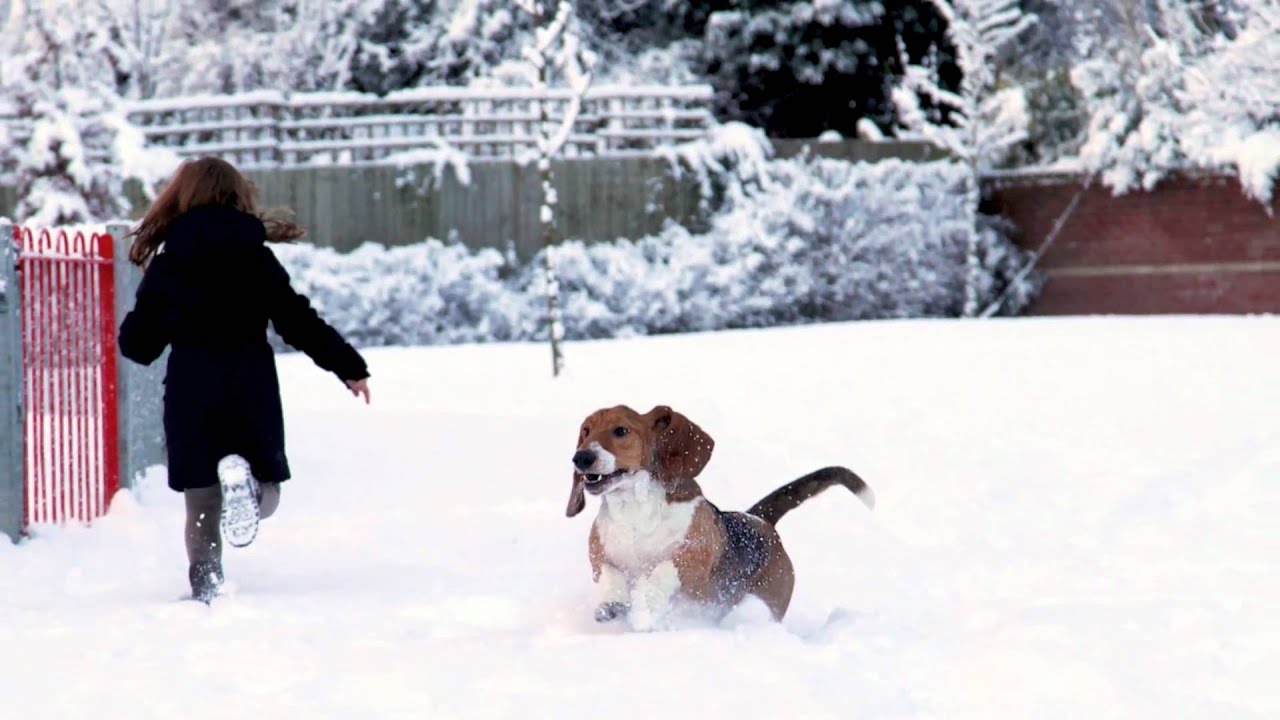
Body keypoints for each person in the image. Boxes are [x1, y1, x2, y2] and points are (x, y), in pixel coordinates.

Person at [118, 156, 371, 603]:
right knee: (267, 490)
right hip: (249, 382)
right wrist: (347, 365)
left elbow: (140, 345)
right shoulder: (256, 258)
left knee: (201, 500)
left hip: (192, 387)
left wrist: (144, 319)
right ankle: (250, 491)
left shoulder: (170, 263)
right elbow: (298, 321)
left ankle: (207, 582)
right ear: (237, 195)